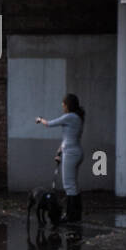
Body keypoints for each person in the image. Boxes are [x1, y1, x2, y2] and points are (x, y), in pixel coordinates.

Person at [36, 93, 85, 223]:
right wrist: (59, 152)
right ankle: (76, 215)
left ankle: (71, 216)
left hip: (71, 154)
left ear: (68, 105)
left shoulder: (69, 117)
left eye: (63, 105)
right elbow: (67, 139)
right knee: (73, 184)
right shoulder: (77, 118)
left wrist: (40, 120)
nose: (62, 107)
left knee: (69, 185)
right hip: (75, 151)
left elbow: (50, 124)